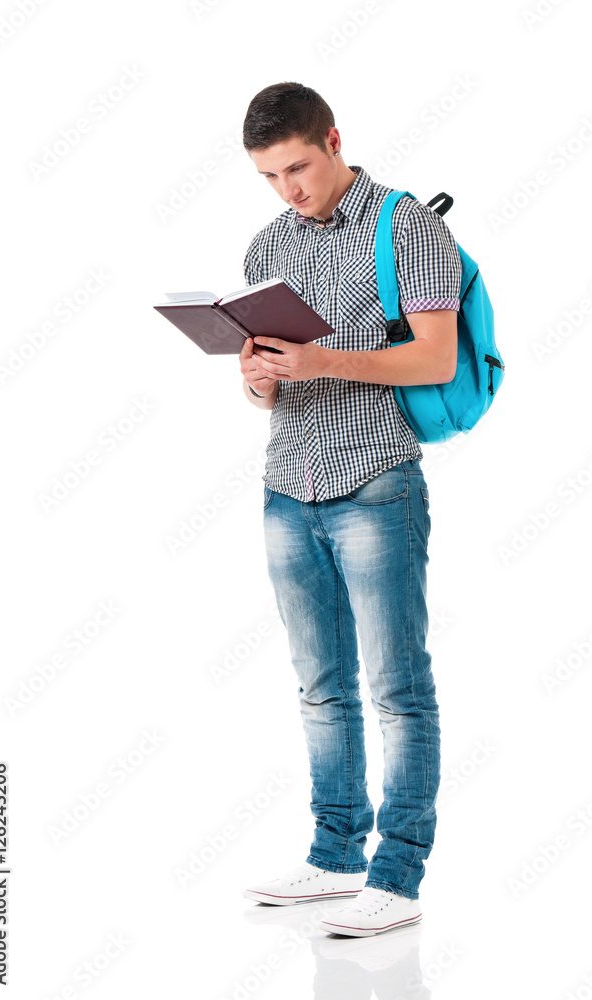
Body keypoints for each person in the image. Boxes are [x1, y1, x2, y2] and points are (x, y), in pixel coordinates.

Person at [238, 82, 461, 938]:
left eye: (297, 166)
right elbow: (271, 382)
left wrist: (322, 361)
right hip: (287, 483)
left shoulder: (404, 224)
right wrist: (258, 379)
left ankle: (396, 876)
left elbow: (436, 356)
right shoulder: (266, 244)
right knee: (319, 689)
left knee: (397, 688)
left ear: (333, 140)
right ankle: (335, 857)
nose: (288, 189)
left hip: (375, 482)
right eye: (269, 176)